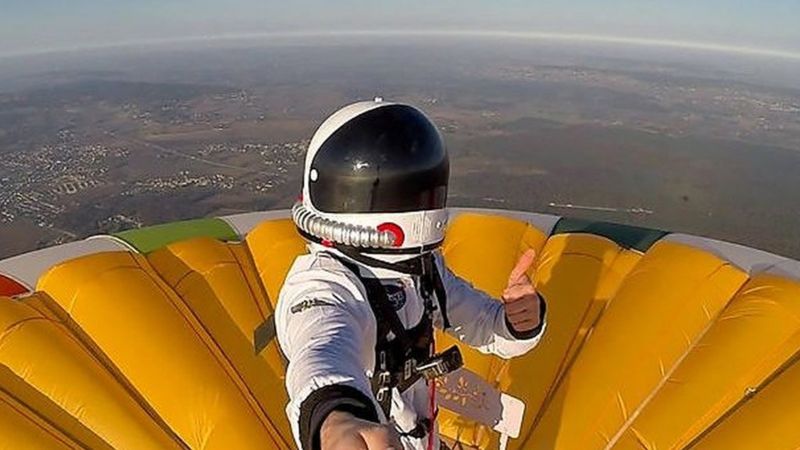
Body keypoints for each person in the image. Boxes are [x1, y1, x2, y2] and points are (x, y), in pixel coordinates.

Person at [275, 99, 547, 450]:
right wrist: (334, 420)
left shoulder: (422, 268)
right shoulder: (325, 283)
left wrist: (518, 322)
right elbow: (322, 349)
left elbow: (482, 323)